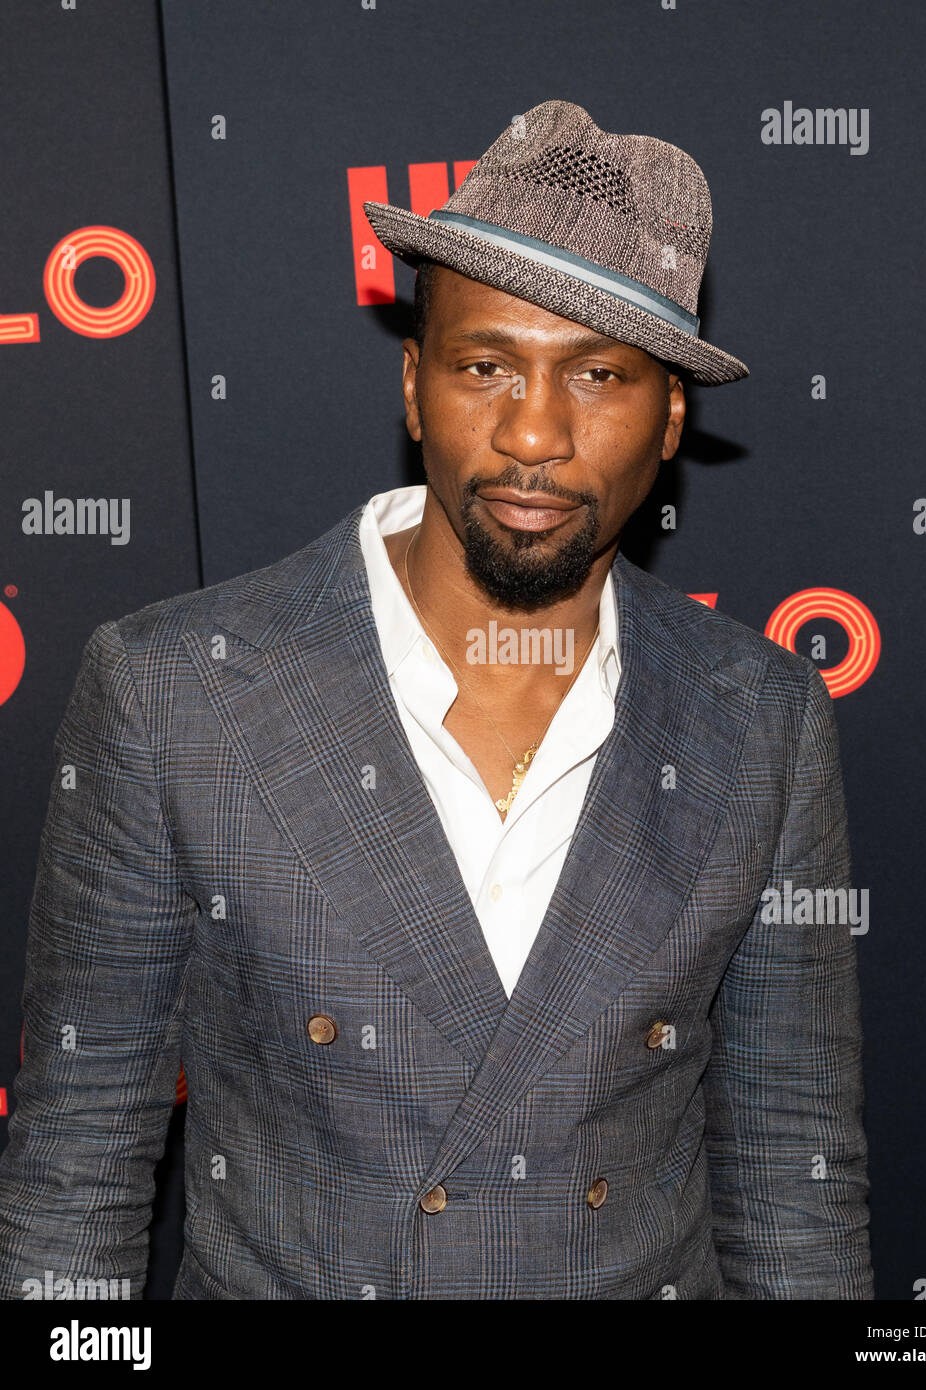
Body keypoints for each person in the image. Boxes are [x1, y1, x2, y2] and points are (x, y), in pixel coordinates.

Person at [0, 99, 871, 1299]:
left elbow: (792, 1180)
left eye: (598, 374)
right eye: (483, 365)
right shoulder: (171, 692)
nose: (532, 433)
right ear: (413, 387)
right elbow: (74, 1175)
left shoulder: (758, 716)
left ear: (670, 418)